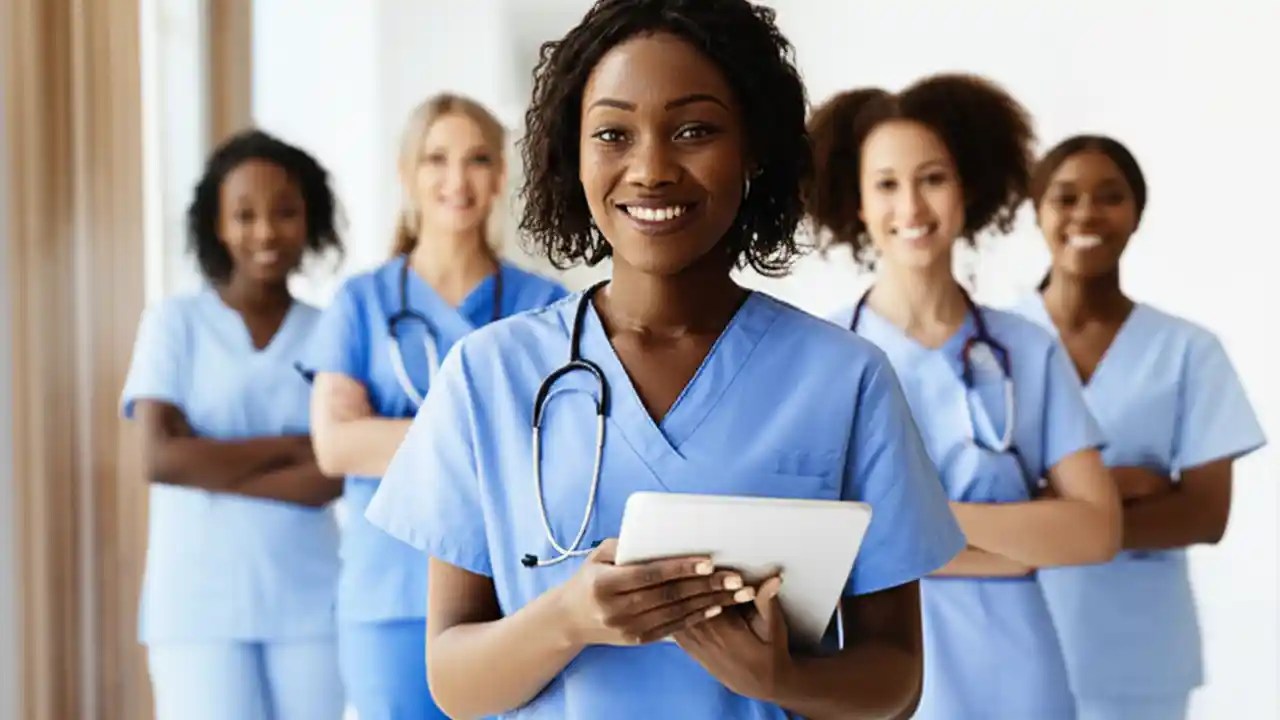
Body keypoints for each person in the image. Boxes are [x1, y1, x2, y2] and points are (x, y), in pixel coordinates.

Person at [364, 1, 967, 718]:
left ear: (753, 148)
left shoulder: (846, 379)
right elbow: (455, 686)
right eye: (613, 133)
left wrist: (781, 680)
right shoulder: (487, 375)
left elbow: (897, 680)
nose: (650, 169)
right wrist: (569, 621)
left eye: (694, 130)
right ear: (572, 154)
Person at [806, 75, 1122, 720]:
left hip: (1018, 674)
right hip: (874, 672)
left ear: (967, 187)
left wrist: (910, 522)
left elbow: (1096, 530)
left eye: (932, 178)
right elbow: (814, 545)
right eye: (886, 184)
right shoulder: (821, 355)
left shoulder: (1025, 350)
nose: (912, 207)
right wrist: (1015, 540)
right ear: (857, 202)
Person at [303, 93, 567, 719]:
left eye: (477, 160)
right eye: (436, 159)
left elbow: (560, 445)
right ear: (406, 173)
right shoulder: (361, 302)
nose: (457, 180)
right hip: (387, 596)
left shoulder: (544, 305)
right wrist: (486, 432)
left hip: (510, 600)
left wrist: (384, 432)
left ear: (501, 175)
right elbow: (335, 445)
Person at [1013, 135, 1268, 720]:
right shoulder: (994, 343)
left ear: (1136, 216)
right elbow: (963, 498)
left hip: (1137, 657)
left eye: (1110, 197)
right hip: (1008, 638)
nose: (1086, 214)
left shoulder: (1189, 351)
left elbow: (1204, 515)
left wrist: (1052, 512)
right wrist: (1132, 486)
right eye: (1066, 196)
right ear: (1037, 211)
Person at [120, 129, 346, 720]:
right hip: (196, 609)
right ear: (217, 225)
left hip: (309, 601)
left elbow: (329, 476)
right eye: (244, 215)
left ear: (310, 219)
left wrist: (205, 460)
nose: (266, 231)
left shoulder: (332, 330)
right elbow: (159, 458)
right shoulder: (175, 323)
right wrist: (293, 446)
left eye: (285, 212)